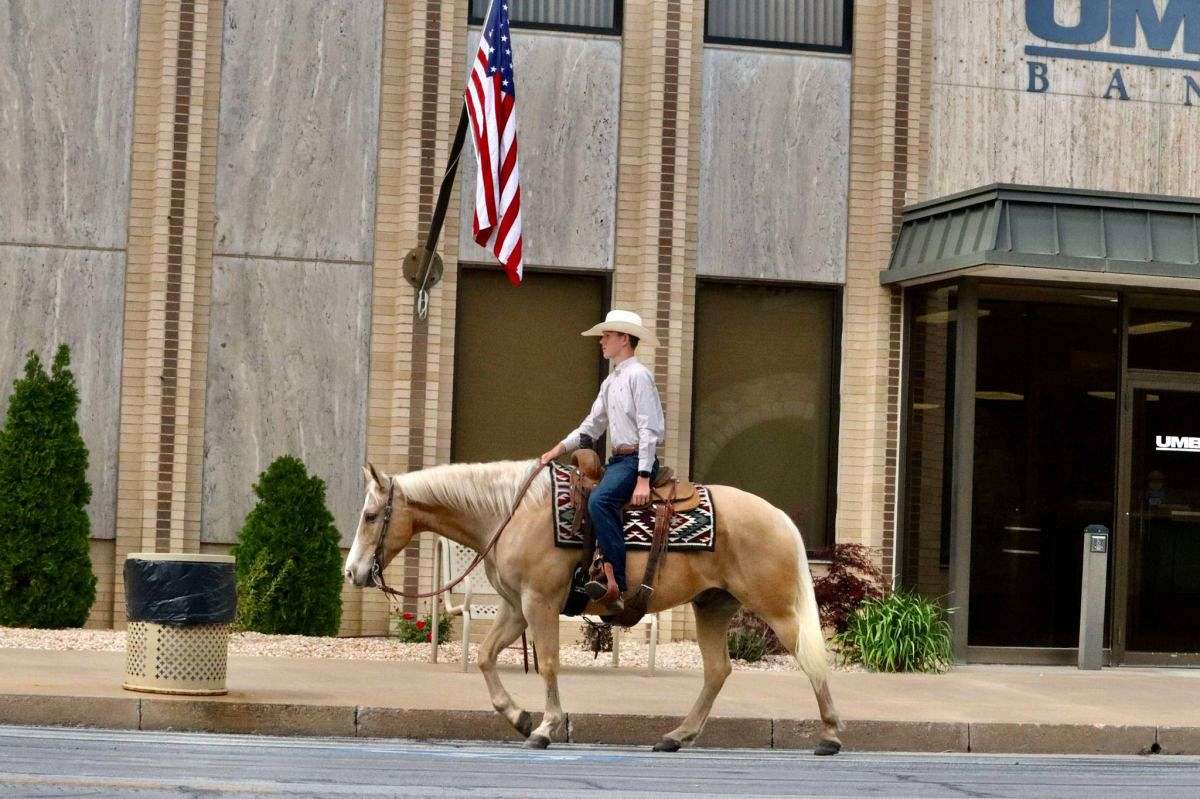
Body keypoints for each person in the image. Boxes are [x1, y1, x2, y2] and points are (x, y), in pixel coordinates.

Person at [540, 310, 666, 612]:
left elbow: (649, 429)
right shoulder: (611, 381)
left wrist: (643, 477)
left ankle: (617, 583)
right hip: (619, 461)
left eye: (607, 336)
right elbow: (592, 426)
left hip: (636, 460)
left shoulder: (639, 376)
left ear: (624, 339)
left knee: (600, 501)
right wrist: (557, 449)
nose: (602, 341)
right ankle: (588, 570)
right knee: (583, 496)